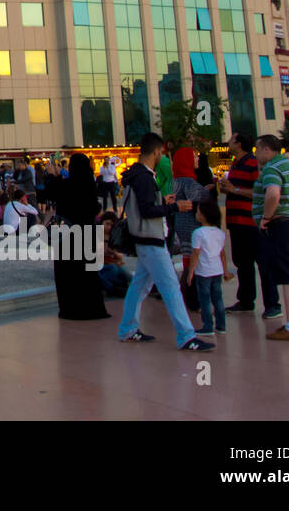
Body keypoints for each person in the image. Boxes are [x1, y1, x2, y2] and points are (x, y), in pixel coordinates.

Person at [116, 132, 213, 351]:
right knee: (170, 287)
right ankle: (186, 336)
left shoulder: (136, 174)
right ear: (157, 151)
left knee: (139, 286)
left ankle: (127, 329)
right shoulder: (144, 177)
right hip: (151, 239)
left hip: (144, 239)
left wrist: (163, 200)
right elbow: (148, 210)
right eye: (162, 153)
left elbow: (146, 205)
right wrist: (174, 207)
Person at [219, 131, 282, 320]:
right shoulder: (236, 164)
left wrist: (234, 189)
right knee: (242, 263)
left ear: (238, 144)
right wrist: (227, 189)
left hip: (251, 222)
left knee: (262, 263)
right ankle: (246, 300)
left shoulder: (253, 164)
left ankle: (272, 304)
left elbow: (261, 192)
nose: (228, 143)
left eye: (231, 140)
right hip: (236, 223)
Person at [254, 134, 289, 340]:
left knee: (287, 276)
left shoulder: (272, 168)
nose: (257, 154)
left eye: (257, 149)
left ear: (267, 150)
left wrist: (265, 217)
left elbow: (273, 195)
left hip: (282, 225)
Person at [52, 152, 109, 320]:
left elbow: (56, 198)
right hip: (87, 235)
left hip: (67, 236)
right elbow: (94, 208)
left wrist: (55, 177)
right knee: (88, 275)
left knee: (68, 275)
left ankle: (70, 309)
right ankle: (91, 308)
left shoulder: (66, 186)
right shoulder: (89, 185)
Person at [185, 198, 231, 337]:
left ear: (203, 216)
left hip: (203, 272)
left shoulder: (198, 233)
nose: (196, 214)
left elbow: (195, 253)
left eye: (198, 212)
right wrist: (225, 270)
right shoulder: (219, 233)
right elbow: (222, 254)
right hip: (216, 271)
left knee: (204, 300)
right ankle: (221, 325)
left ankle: (207, 326)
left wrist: (190, 272)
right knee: (218, 298)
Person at [171, 147, 208, 255]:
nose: (197, 159)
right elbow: (199, 201)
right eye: (194, 156)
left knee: (187, 256)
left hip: (180, 224)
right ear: (186, 160)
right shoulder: (188, 182)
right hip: (191, 225)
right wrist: (206, 193)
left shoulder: (176, 181)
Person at [98, 212, 132, 297]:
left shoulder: (115, 237)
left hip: (114, 263)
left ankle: (107, 285)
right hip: (101, 265)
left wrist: (113, 253)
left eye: (111, 225)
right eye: (107, 224)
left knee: (128, 276)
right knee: (113, 270)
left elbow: (121, 256)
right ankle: (111, 287)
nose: (109, 227)